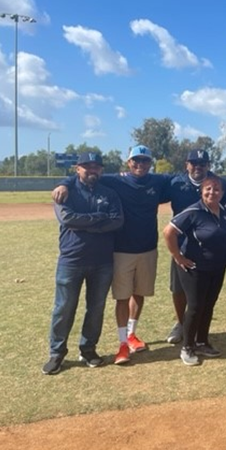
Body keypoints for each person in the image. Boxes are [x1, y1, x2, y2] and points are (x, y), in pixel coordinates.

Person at [51, 145, 172, 366]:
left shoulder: (156, 181)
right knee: (106, 299)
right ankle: (115, 343)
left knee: (135, 294)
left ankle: (125, 337)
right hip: (117, 251)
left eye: (145, 160)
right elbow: (77, 192)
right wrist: (63, 183)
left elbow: (186, 178)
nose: (140, 164)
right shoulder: (115, 181)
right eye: (136, 160)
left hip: (146, 248)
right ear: (128, 162)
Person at [44, 152, 123, 375]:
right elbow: (68, 219)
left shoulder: (109, 193)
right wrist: (99, 218)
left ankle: (88, 349)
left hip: (102, 261)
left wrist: (85, 223)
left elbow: (117, 222)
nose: (92, 170)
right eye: (86, 166)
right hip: (71, 260)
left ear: (101, 170)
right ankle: (56, 353)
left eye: (96, 166)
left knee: (95, 308)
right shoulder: (64, 192)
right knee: (64, 308)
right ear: (77, 169)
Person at [163, 176, 226, 366]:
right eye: (208, 189)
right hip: (194, 268)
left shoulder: (225, 212)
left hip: (217, 268)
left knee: (208, 305)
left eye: (217, 189)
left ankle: (202, 341)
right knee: (195, 307)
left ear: (222, 192)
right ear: (201, 192)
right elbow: (168, 231)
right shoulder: (194, 211)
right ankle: (187, 347)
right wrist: (178, 256)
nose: (213, 193)